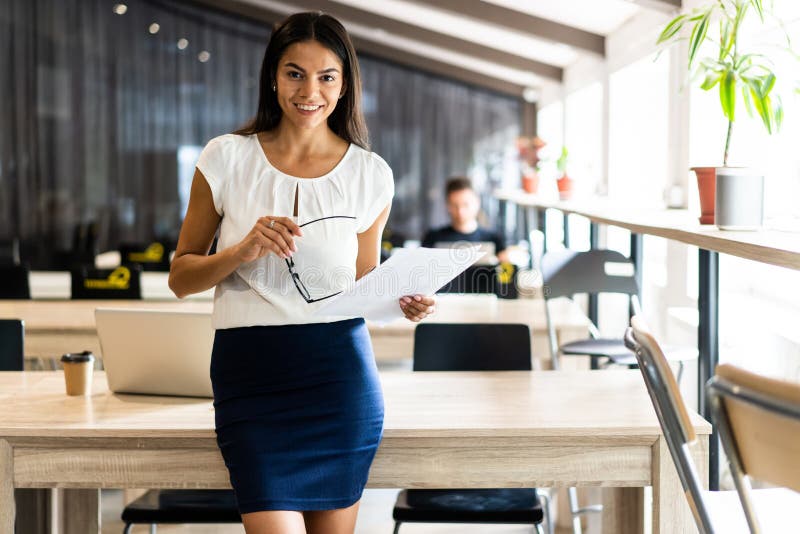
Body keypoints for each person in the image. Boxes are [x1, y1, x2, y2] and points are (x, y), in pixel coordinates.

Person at [168, 12, 435, 534]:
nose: (309, 90)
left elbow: (364, 284)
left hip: (339, 377)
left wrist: (402, 301)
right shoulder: (225, 158)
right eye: (295, 73)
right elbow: (181, 277)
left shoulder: (370, 172)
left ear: (344, 83)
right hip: (251, 375)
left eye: (326, 76)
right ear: (273, 76)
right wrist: (241, 251)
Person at [421, 177, 509, 263]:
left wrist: (507, 262)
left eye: (466, 205)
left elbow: (506, 275)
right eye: (455, 205)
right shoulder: (433, 238)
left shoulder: (493, 239)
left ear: (477, 203)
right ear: (447, 205)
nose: (460, 211)